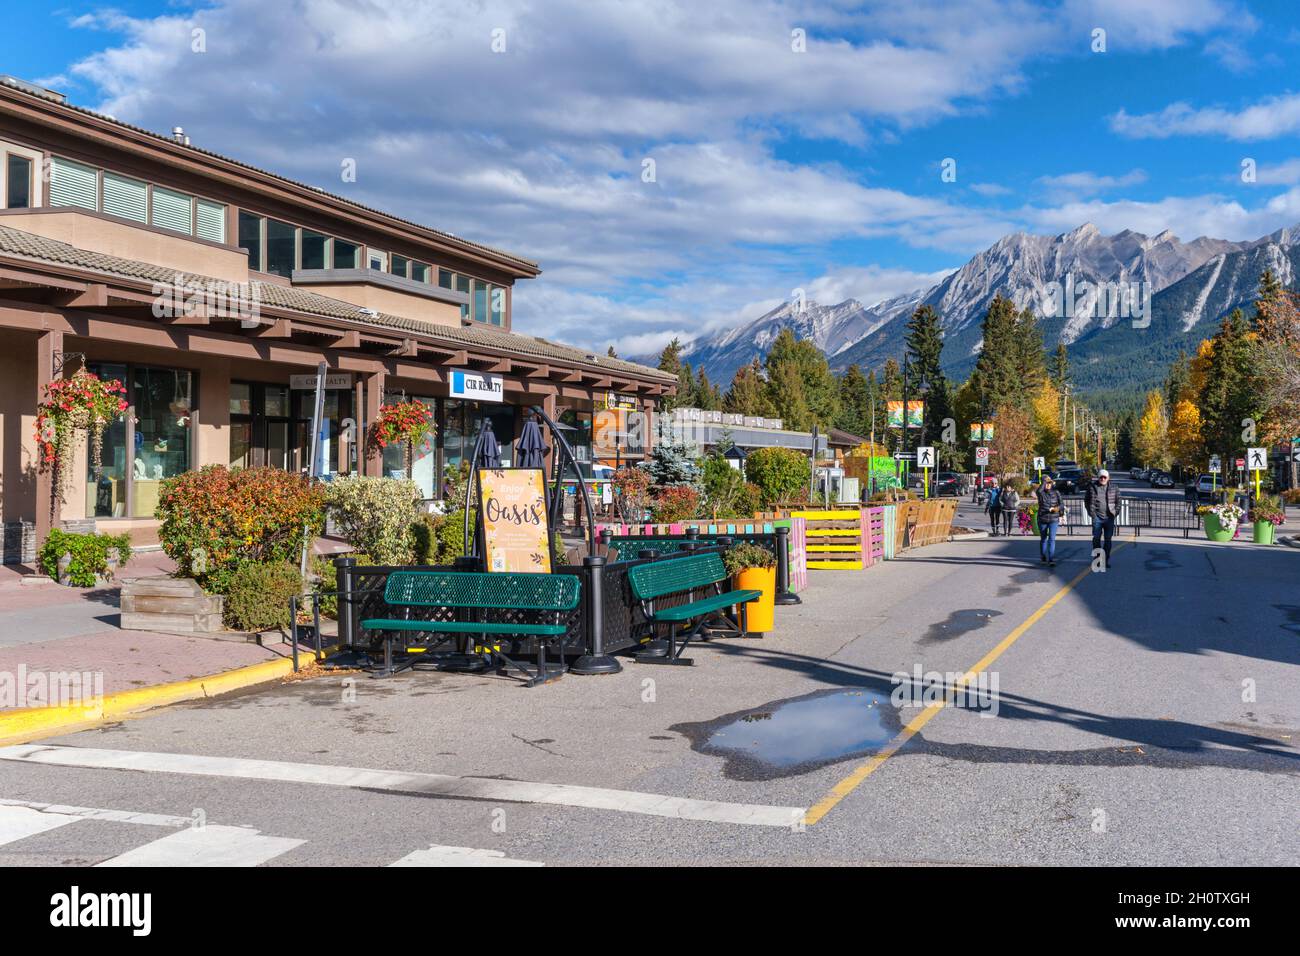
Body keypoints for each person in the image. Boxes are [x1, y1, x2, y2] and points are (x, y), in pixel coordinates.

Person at [1085, 468, 1121, 567]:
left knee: (1108, 540)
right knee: (1096, 539)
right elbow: (1087, 500)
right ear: (1098, 477)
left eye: (1105, 477)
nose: (1103, 479)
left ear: (1108, 478)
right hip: (1097, 518)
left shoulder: (1114, 487)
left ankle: (1105, 560)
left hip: (1109, 518)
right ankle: (1097, 559)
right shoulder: (1092, 487)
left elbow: (1118, 502)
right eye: (1101, 477)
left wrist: (1115, 512)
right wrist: (1091, 513)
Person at [1036, 474, 1064, 566]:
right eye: (1046, 483)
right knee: (1043, 539)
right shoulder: (1041, 493)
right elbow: (1039, 491)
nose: (1048, 485)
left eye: (1049, 483)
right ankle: (1043, 557)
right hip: (1042, 519)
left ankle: (1051, 559)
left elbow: (1061, 504)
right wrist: (1045, 480)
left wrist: (1058, 510)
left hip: (1053, 519)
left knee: (1052, 539)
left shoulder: (1056, 492)